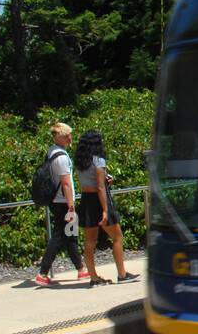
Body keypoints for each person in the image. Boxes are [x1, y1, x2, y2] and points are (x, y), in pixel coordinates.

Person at [74, 129, 137, 285]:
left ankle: (93, 277)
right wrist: (105, 210)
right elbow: (101, 187)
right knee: (117, 237)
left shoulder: (80, 162)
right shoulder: (98, 160)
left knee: (89, 241)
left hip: (86, 200)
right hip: (99, 199)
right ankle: (122, 274)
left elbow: (89, 182)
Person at [35, 122, 88, 287]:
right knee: (60, 235)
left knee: (70, 235)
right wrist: (71, 205)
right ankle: (43, 273)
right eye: (67, 136)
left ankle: (80, 268)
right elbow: (66, 183)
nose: (71, 138)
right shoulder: (63, 158)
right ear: (61, 137)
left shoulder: (51, 151)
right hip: (63, 202)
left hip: (56, 200)